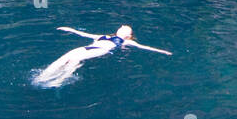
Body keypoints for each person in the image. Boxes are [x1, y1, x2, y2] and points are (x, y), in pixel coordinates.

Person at [32, 25, 171, 88]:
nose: (122, 27)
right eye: (121, 27)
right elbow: (84, 35)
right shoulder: (102, 36)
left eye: (126, 29)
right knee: (66, 57)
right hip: (89, 47)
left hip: (101, 50)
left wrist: (162, 51)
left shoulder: (127, 41)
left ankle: (59, 80)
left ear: (128, 35)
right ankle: (44, 75)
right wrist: (69, 29)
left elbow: (143, 47)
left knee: (75, 60)